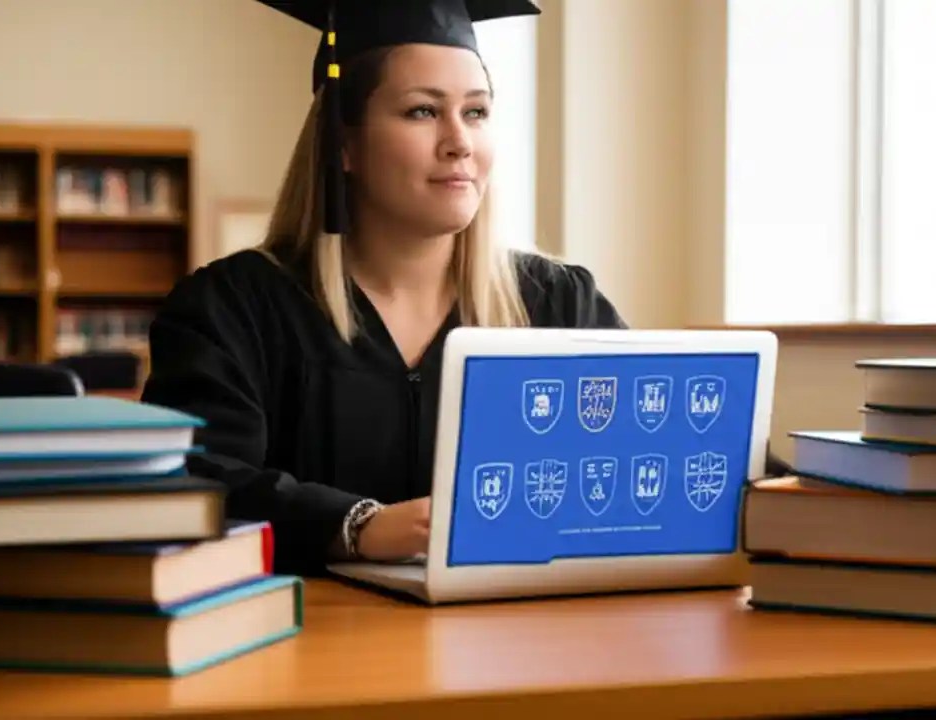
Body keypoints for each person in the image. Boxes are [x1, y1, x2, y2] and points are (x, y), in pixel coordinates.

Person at [140, 0, 626, 577]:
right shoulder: (232, 310)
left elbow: (662, 451)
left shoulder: (557, 304)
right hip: (304, 646)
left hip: (516, 643)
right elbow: (195, 478)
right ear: (343, 145)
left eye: (476, 112)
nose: (458, 142)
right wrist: (354, 525)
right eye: (422, 111)